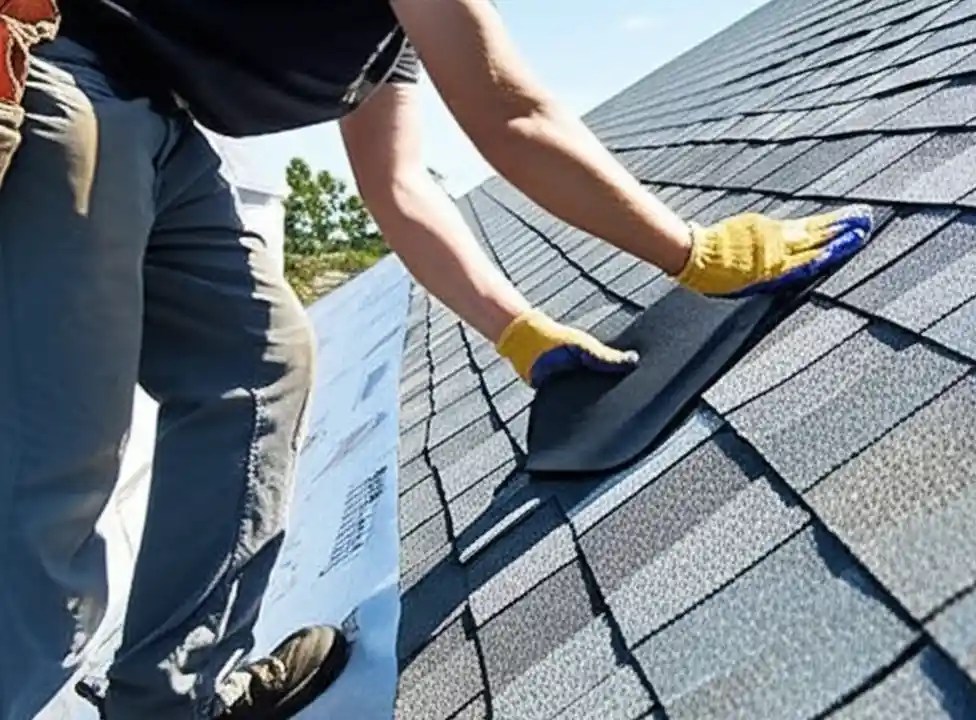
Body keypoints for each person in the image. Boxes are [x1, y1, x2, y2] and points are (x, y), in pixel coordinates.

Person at [0, 0, 872, 718]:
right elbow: (513, 113)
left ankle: (169, 702)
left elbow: (402, 184)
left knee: (261, 367)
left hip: (150, 114)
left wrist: (520, 330)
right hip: (53, 73)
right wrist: (693, 251)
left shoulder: (391, 35)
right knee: (57, 468)